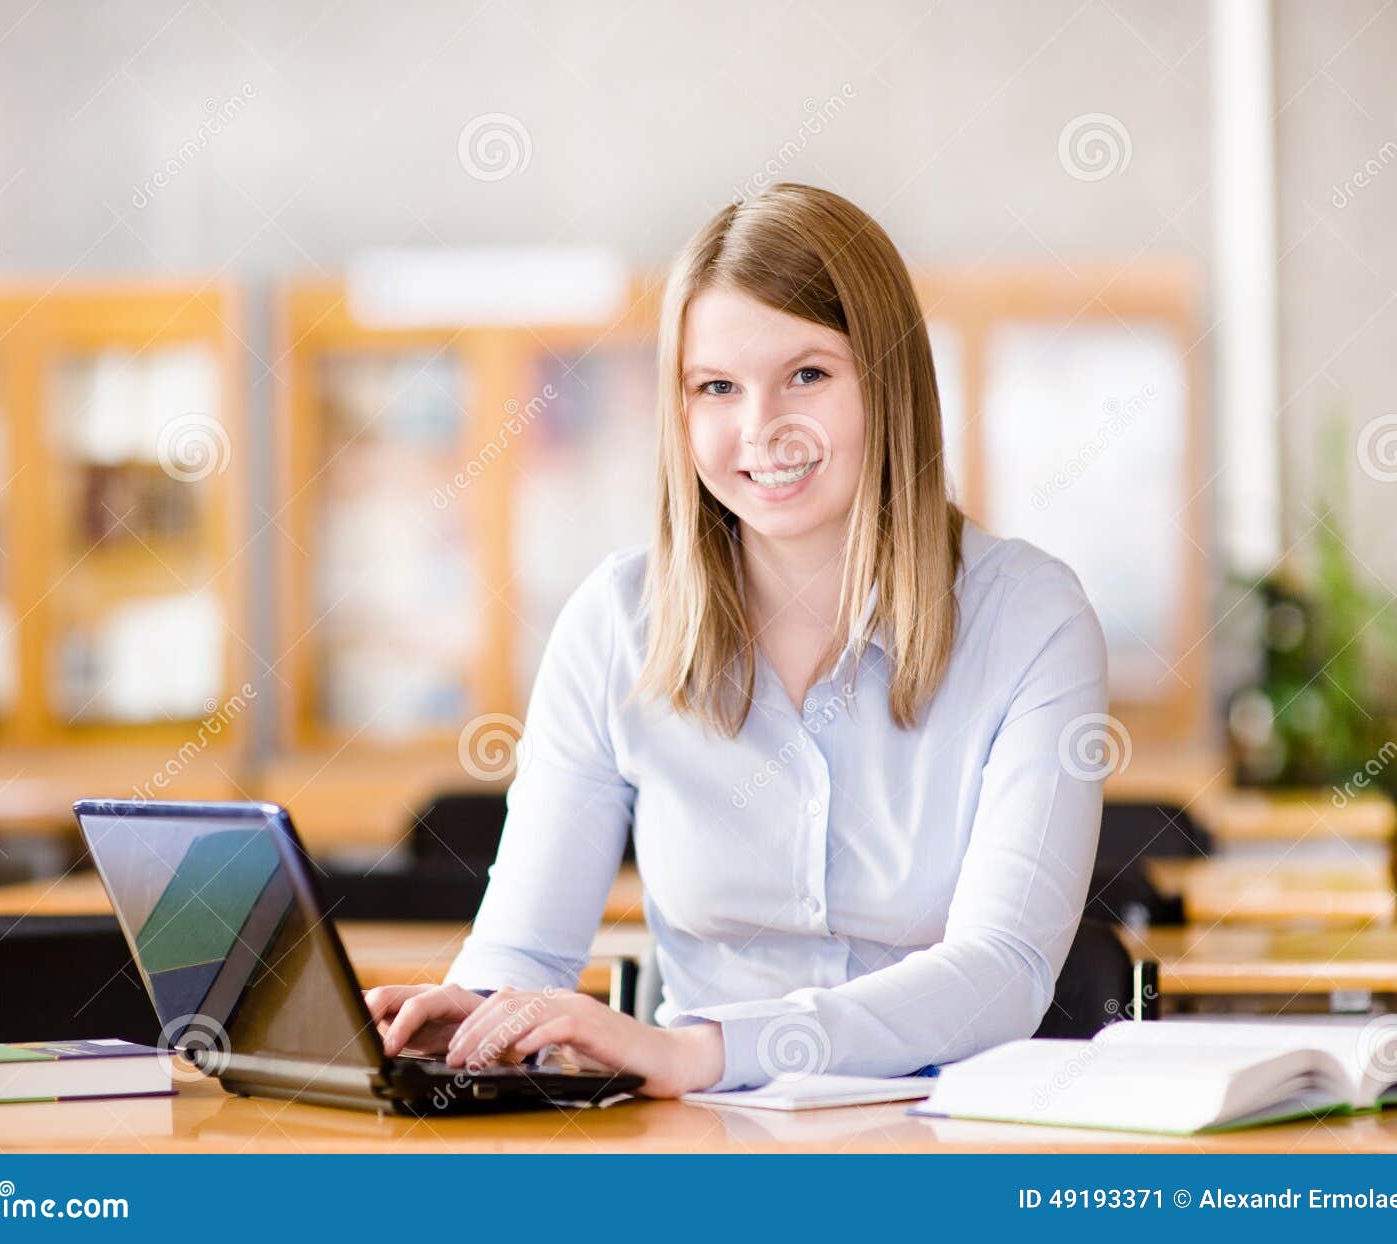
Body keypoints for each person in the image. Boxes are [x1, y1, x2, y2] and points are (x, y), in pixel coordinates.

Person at [367, 183, 1109, 1097]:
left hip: (941, 1137)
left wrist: (702, 1051)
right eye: (716, 387)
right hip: (697, 1142)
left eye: (807, 374)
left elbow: (1005, 971)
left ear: (890, 380)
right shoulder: (616, 622)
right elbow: (524, 948)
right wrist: (474, 1010)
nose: (761, 430)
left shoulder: (1030, 617)